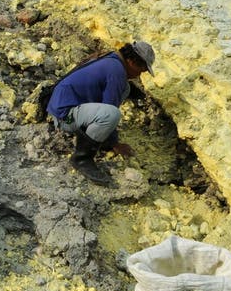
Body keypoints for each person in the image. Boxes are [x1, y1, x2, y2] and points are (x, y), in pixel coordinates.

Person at [47, 40, 156, 186]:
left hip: (66, 106)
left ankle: (95, 135)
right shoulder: (116, 71)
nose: (138, 76)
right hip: (64, 116)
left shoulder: (112, 59)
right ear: (131, 61)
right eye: (140, 70)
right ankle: (82, 158)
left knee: (126, 89)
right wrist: (114, 144)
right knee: (111, 114)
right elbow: (109, 107)